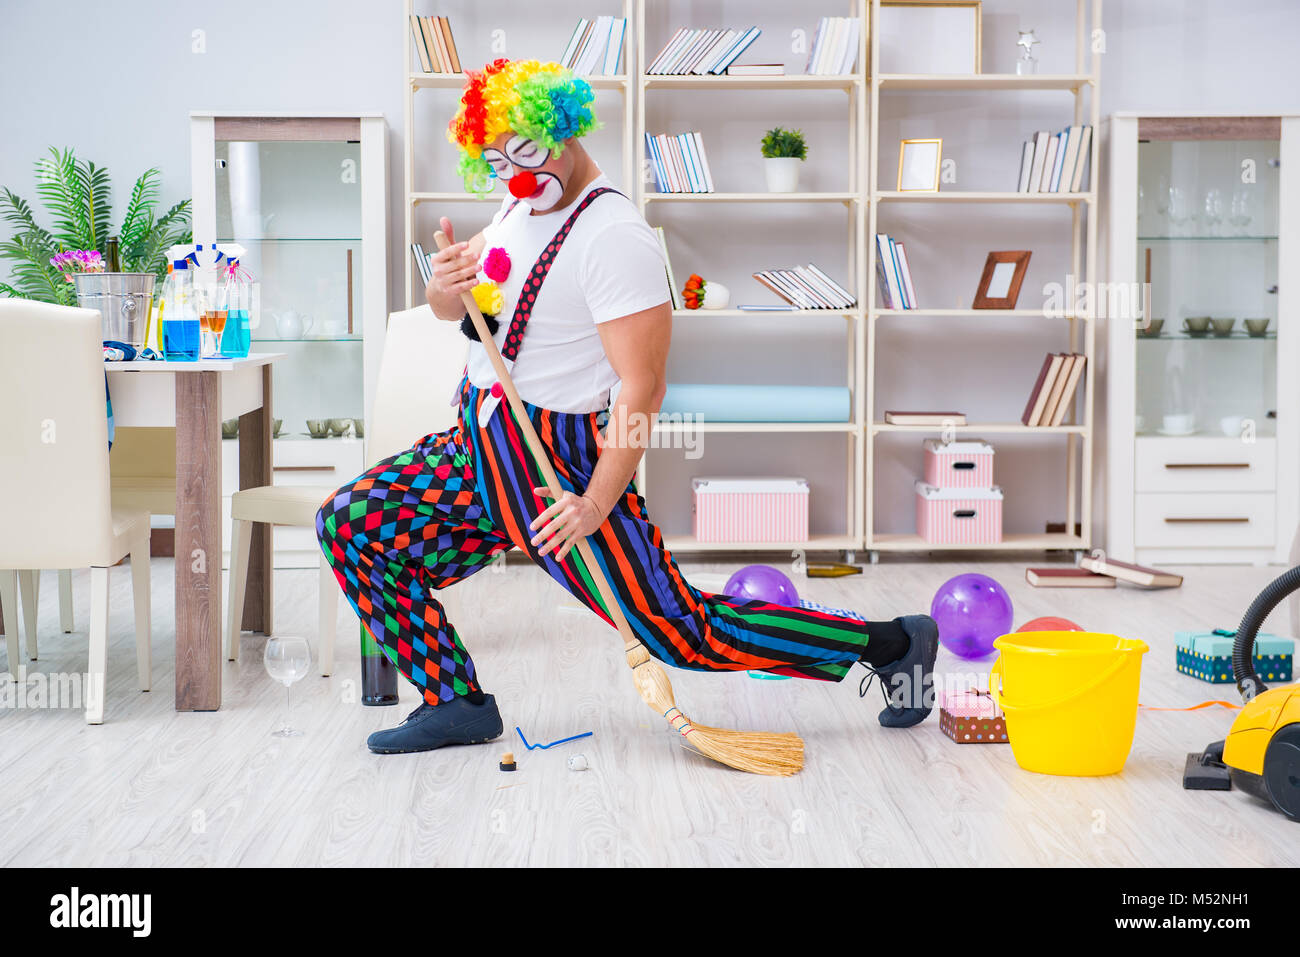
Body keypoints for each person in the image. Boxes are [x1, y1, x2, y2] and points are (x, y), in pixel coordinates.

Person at [316, 58, 938, 755]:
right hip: (477, 441)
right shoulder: (517, 205)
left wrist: (596, 501)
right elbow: (462, 316)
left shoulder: (613, 236)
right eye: (494, 160)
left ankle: (891, 643)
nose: (514, 174)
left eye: (526, 152)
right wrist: (445, 286)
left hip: (558, 467)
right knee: (353, 525)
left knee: (679, 631)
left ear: (565, 129)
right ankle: (455, 699)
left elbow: (642, 388)